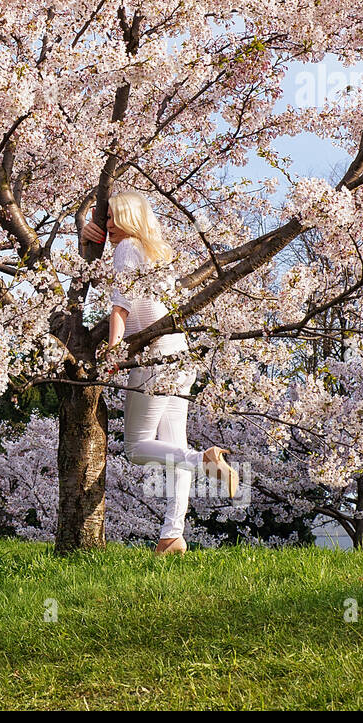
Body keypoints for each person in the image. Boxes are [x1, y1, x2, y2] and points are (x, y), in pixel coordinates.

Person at [82, 190, 238, 555]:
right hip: (180, 355)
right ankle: (172, 534)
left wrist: (115, 350)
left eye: (111, 219)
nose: (108, 226)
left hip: (154, 356)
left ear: (129, 219)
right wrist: (91, 231)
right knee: (173, 446)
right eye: (104, 220)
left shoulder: (125, 249)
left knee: (137, 448)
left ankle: (205, 460)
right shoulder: (156, 251)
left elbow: (121, 304)